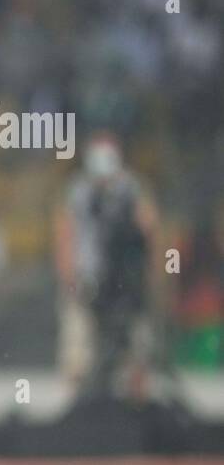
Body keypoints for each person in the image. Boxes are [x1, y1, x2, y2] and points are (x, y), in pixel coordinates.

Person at [54, 134, 161, 402]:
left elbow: (150, 231)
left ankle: (138, 405)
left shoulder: (132, 189)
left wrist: (148, 275)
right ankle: (77, 405)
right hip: (87, 277)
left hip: (125, 280)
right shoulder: (77, 191)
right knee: (78, 346)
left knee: (136, 346)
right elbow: (65, 235)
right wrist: (70, 279)